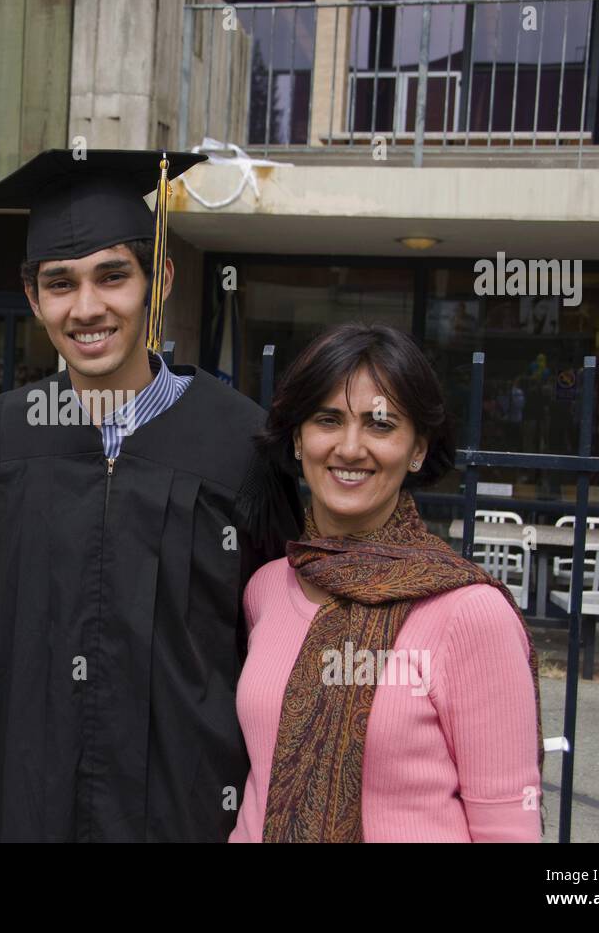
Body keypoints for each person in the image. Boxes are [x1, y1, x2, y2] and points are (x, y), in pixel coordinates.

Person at [0, 149, 300, 842]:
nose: (87, 308)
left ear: (158, 279)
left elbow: (282, 624)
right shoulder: (6, 435)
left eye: (113, 276)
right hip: (24, 810)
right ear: (31, 296)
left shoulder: (240, 442)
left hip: (186, 811)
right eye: (60, 283)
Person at [232, 323, 542, 842]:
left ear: (417, 449)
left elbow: (507, 828)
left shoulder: (468, 613)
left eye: (380, 425)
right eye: (327, 420)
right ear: (298, 439)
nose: (350, 448)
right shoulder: (266, 588)